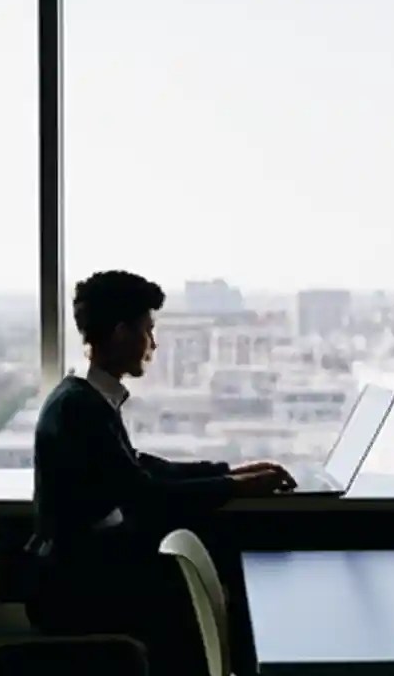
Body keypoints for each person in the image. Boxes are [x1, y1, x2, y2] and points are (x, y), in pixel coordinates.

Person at [22, 270, 294, 676]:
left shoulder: (81, 397)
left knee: (202, 578)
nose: (153, 343)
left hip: (74, 570)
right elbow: (143, 494)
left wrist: (231, 473)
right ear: (121, 333)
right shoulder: (81, 408)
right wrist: (235, 486)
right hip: (72, 587)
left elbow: (141, 467)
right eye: (147, 330)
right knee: (200, 588)